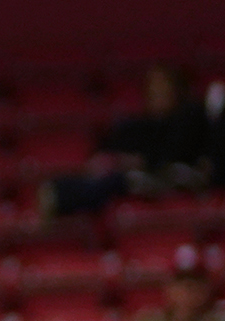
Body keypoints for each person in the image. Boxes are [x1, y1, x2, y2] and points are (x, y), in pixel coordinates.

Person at [41, 64, 211, 218]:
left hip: (170, 175)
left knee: (113, 182)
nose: (156, 91)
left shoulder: (190, 117)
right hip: (142, 175)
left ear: (177, 89)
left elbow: (175, 155)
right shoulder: (139, 124)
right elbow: (111, 145)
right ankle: (57, 195)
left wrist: (137, 161)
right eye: (153, 86)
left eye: (162, 86)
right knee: (102, 176)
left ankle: (60, 200)